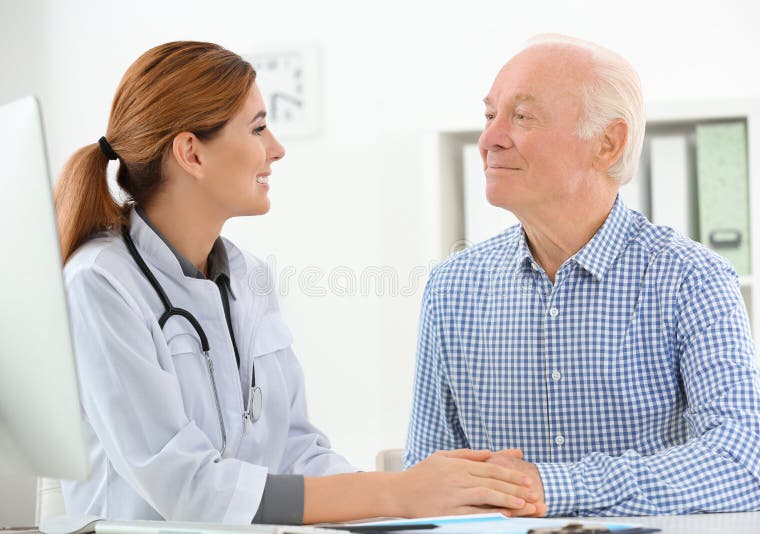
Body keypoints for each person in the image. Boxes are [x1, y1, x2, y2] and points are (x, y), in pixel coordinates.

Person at [54, 41, 540, 524]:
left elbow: (296, 450)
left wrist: (419, 508)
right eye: (259, 128)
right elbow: (189, 489)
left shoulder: (250, 278)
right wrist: (397, 493)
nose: (277, 149)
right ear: (191, 154)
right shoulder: (100, 284)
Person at [404, 34, 760, 516]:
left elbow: (743, 463)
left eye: (521, 116)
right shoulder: (452, 288)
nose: (489, 138)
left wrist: (555, 488)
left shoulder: (692, 279)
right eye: (489, 115)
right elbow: (428, 479)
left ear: (608, 143)